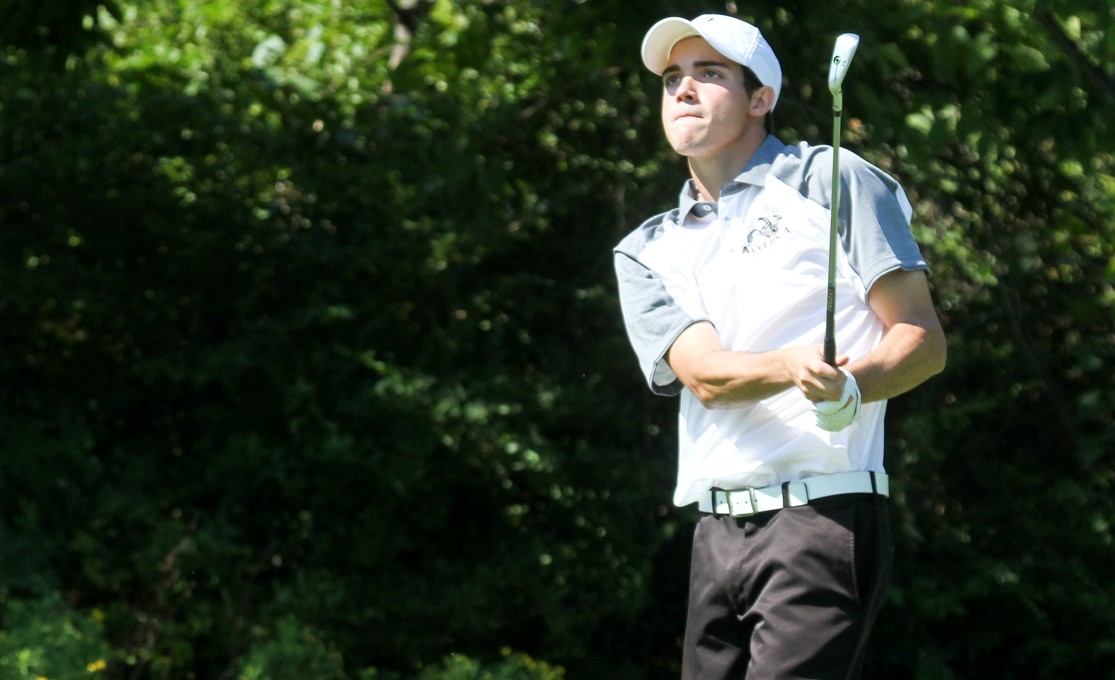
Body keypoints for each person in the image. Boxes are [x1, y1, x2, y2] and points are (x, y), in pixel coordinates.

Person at [613, 14, 947, 680]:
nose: (682, 90)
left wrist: (852, 387)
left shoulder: (833, 180)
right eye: (671, 78)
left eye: (709, 74)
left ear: (760, 98)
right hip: (715, 534)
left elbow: (919, 338)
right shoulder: (647, 248)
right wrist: (791, 367)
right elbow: (704, 375)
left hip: (821, 519)